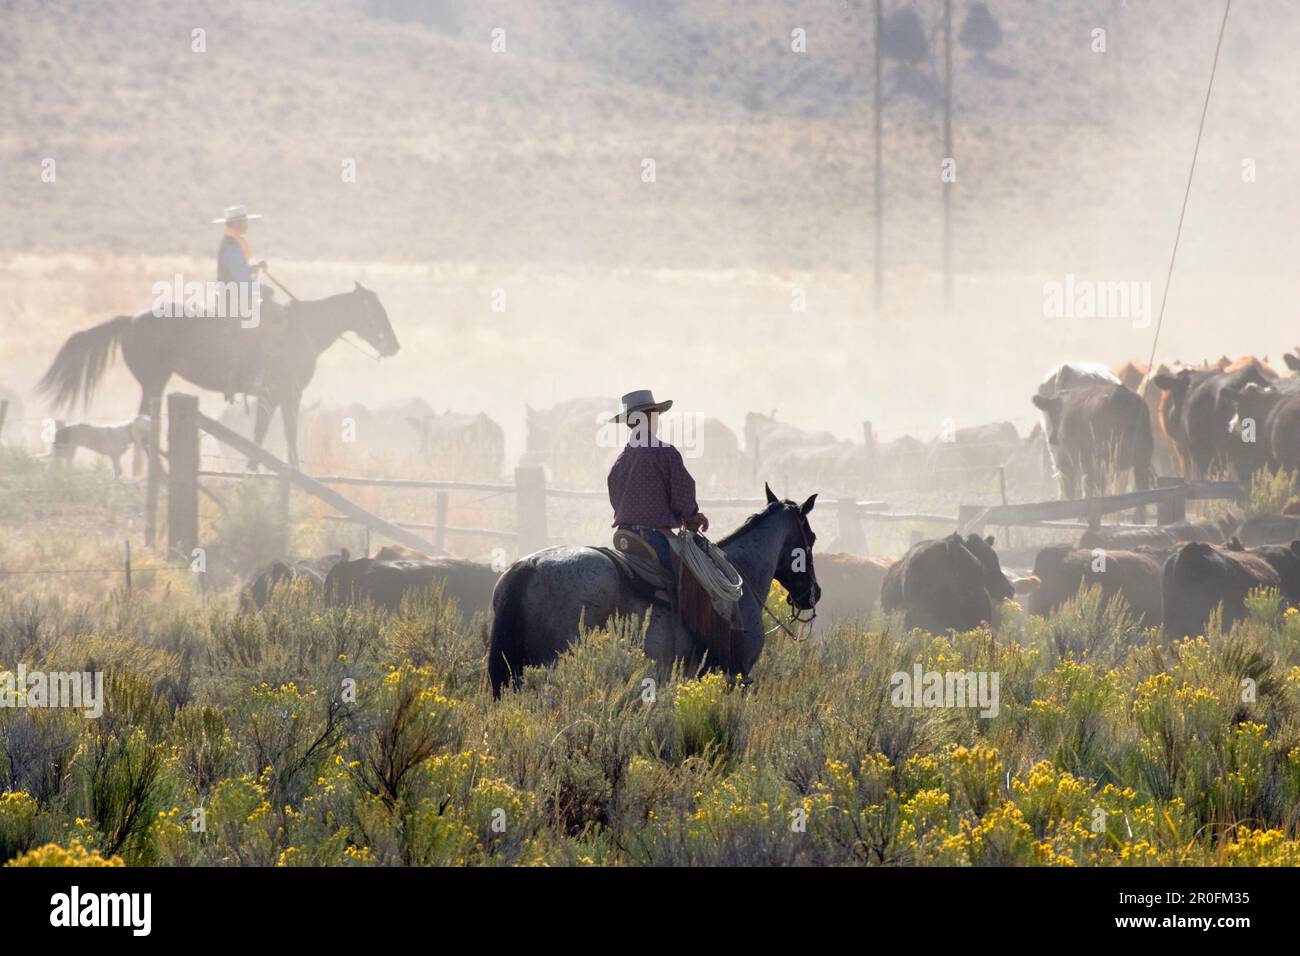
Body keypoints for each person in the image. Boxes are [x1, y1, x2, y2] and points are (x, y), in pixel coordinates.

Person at [606, 389, 709, 571]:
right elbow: (682, 493)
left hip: (625, 537)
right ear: (651, 418)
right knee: (696, 576)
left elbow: (616, 501)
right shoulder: (665, 453)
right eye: (655, 414)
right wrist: (691, 516)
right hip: (654, 539)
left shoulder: (619, 463)